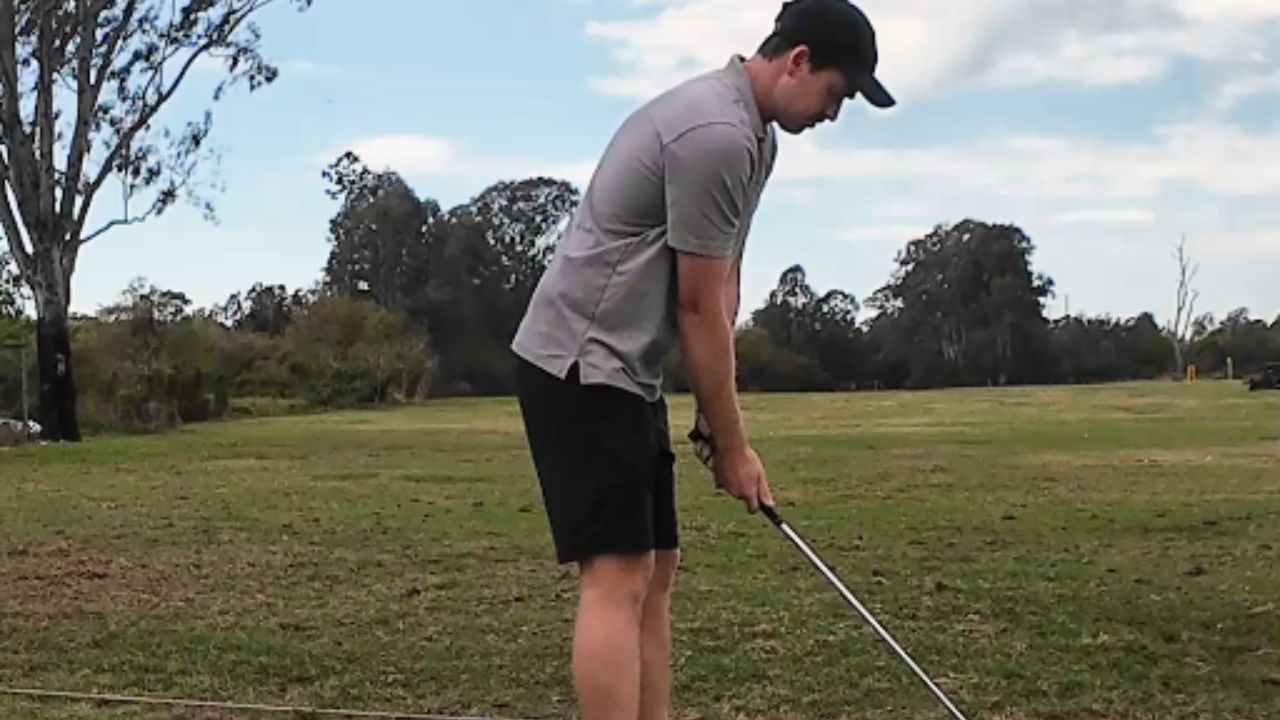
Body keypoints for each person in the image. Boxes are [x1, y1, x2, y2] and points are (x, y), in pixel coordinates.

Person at [509, 1, 895, 717]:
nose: (834, 116)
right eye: (837, 95)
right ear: (798, 60)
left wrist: (717, 426)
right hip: (578, 363)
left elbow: (719, 291)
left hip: (626, 370)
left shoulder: (756, 137)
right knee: (618, 575)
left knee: (656, 570)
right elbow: (693, 308)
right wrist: (737, 445)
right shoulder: (715, 133)